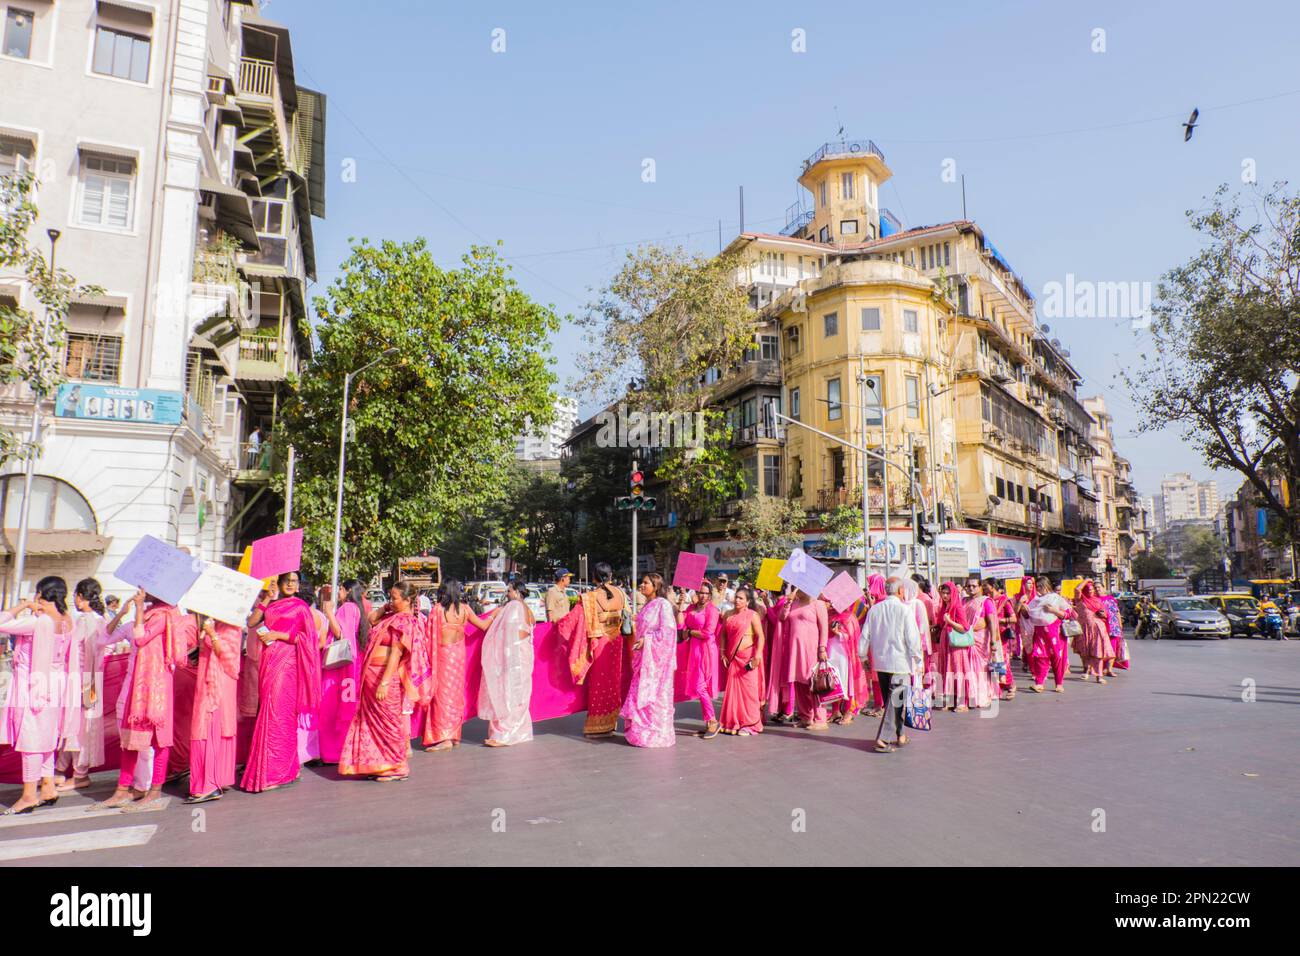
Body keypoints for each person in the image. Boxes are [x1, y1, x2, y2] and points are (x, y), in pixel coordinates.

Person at [96, 590, 186, 811]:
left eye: (147, 590)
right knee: (130, 737)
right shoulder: (146, 614)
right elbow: (103, 638)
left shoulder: (163, 616)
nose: (142, 593)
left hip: (157, 684)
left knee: (158, 739)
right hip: (137, 686)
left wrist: (136, 610)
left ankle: (154, 790)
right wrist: (124, 612)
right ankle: (122, 789)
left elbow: (140, 638)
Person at [0, 577, 79, 815]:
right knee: (46, 740)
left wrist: (21, 606)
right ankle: (47, 787)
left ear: (42, 595)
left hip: (33, 686)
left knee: (32, 740)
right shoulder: (67, 621)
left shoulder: (38, 622)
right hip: (56, 684)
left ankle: (28, 795)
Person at [240, 571, 321, 793]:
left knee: (279, 713)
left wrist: (278, 635)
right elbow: (252, 622)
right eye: (287, 581)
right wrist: (266, 598)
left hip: (288, 665)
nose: (291, 584)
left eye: (295, 581)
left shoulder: (301, 607)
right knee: (269, 711)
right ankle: (285, 769)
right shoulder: (273, 606)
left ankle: (275, 772)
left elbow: (308, 638)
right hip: (268, 663)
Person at [339, 581, 420, 780]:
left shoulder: (405, 621)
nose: (390, 601)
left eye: (394, 598)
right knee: (371, 723)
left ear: (408, 600)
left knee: (389, 722)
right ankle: (379, 764)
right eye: (390, 597)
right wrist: (385, 607)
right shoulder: (390, 616)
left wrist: (384, 682)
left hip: (386, 677)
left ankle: (397, 767)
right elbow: (370, 620)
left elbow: (396, 653)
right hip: (371, 674)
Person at [55, 578, 111, 792]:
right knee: (78, 726)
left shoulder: (87, 620)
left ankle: (78, 774)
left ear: (80, 597)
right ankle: (64, 770)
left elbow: (87, 654)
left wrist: (86, 687)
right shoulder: (99, 619)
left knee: (78, 728)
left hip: (83, 679)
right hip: (90, 679)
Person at [423, 579, 491, 752]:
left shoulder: (437, 610)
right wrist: (496, 612)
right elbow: (483, 625)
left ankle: (444, 738)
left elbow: (427, 637)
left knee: (442, 696)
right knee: (454, 697)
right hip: (458, 657)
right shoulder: (465, 610)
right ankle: (454, 735)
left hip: (443, 657)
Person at [864, 577, 924, 753]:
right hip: (899, 662)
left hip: (881, 662)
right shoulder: (905, 611)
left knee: (893, 702)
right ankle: (883, 738)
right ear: (900, 591)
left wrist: (863, 657)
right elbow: (912, 639)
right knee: (895, 702)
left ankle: (901, 735)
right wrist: (918, 659)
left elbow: (865, 635)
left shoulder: (874, 610)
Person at [570, 562, 629, 737]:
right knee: (613, 681)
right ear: (610, 576)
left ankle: (597, 725)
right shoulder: (621, 593)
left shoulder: (590, 597)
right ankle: (611, 723)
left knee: (599, 682)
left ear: (595, 576)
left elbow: (573, 620)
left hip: (601, 641)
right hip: (616, 641)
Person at [186, 617, 241, 803]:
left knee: (210, 729)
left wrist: (212, 635)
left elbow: (230, 659)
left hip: (219, 685)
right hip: (207, 680)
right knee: (204, 728)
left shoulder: (232, 627)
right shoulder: (214, 624)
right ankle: (213, 780)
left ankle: (210, 783)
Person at [621, 573, 678, 748]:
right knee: (640, 694)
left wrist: (647, 640)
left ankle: (656, 733)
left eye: (646, 583)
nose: (642, 585)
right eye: (642, 582)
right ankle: (640, 732)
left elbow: (668, 632)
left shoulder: (663, 605)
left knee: (654, 696)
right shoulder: (647, 606)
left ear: (656, 585)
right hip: (643, 660)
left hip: (656, 663)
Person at [478, 580, 536, 747]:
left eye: (509, 590)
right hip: (524, 654)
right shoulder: (527, 608)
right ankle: (519, 732)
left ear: (517, 592)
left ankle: (505, 734)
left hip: (515, 655)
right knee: (520, 693)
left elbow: (511, 633)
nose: (507, 594)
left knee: (509, 691)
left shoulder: (514, 607)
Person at [317, 582, 366, 764]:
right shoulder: (357, 608)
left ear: (347, 591)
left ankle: (332, 752)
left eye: (341, 589)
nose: (339, 592)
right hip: (351, 665)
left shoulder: (347, 607)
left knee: (331, 706)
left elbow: (340, 634)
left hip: (340, 666)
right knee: (346, 706)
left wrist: (329, 612)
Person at [675, 581, 721, 738]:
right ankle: (708, 722)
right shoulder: (691, 608)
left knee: (701, 686)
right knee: (698, 686)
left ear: (710, 595)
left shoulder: (712, 611)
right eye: (700, 592)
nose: (702, 595)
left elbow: (707, 633)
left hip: (706, 650)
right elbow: (681, 626)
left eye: (705, 593)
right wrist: (681, 605)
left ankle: (713, 721)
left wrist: (690, 632)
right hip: (693, 650)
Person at [780, 587, 830, 731]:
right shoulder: (794, 603)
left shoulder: (818, 604)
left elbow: (824, 628)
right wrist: (788, 601)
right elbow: (782, 617)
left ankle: (821, 719)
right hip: (795, 648)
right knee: (799, 682)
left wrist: (822, 647)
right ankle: (806, 716)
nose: (797, 589)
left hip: (811, 649)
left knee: (814, 683)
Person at [718, 587, 765, 735]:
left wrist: (757, 656)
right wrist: (723, 653)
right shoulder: (728, 615)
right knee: (734, 693)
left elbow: (761, 637)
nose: (737, 600)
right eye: (736, 597)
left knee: (749, 692)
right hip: (733, 658)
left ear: (747, 602)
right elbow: (723, 635)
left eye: (741, 598)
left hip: (748, 659)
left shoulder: (752, 615)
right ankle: (733, 722)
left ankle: (750, 724)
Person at [937, 581, 985, 712]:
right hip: (946, 643)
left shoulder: (957, 607)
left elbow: (965, 628)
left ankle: (962, 702)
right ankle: (950, 700)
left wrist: (950, 621)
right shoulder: (944, 607)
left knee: (957, 670)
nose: (945, 595)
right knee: (947, 669)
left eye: (948, 593)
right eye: (943, 592)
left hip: (956, 645)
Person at [1025, 576, 1075, 693]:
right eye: (1037, 587)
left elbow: (1068, 614)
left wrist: (1054, 611)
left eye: (1040, 586)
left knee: (1057, 658)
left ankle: (1059, 683)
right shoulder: (1035, 600)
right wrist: (1023, 608)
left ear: (1046, 586)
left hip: (1054, 633)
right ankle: (1039, 683)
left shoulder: (1056, 598)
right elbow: (1028, 615)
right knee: (1039, 657)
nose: (1038, 589)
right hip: (1039, 633)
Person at [1073, 580, 1115, 683]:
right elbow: (1077, 589)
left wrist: (1103, 615)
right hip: (1084, 631)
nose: (1091, 591)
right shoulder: (1080, 599)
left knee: (1098, 653)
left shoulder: (1097, 600)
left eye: (1092, 590)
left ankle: (1099, 676)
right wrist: (1086, 580)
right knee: (1084, 652)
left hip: (1098, 630)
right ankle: (1086, 670)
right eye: (1089, 589)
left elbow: (1105, 614)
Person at [764, 584, 795, 724]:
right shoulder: (780, 602)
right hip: (777, 643)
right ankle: (783, 709)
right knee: (781, 679)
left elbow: (776, 620)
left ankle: (788, 710)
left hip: (783, 644)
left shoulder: (784, 603)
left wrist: (767, 606)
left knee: (785, 678)